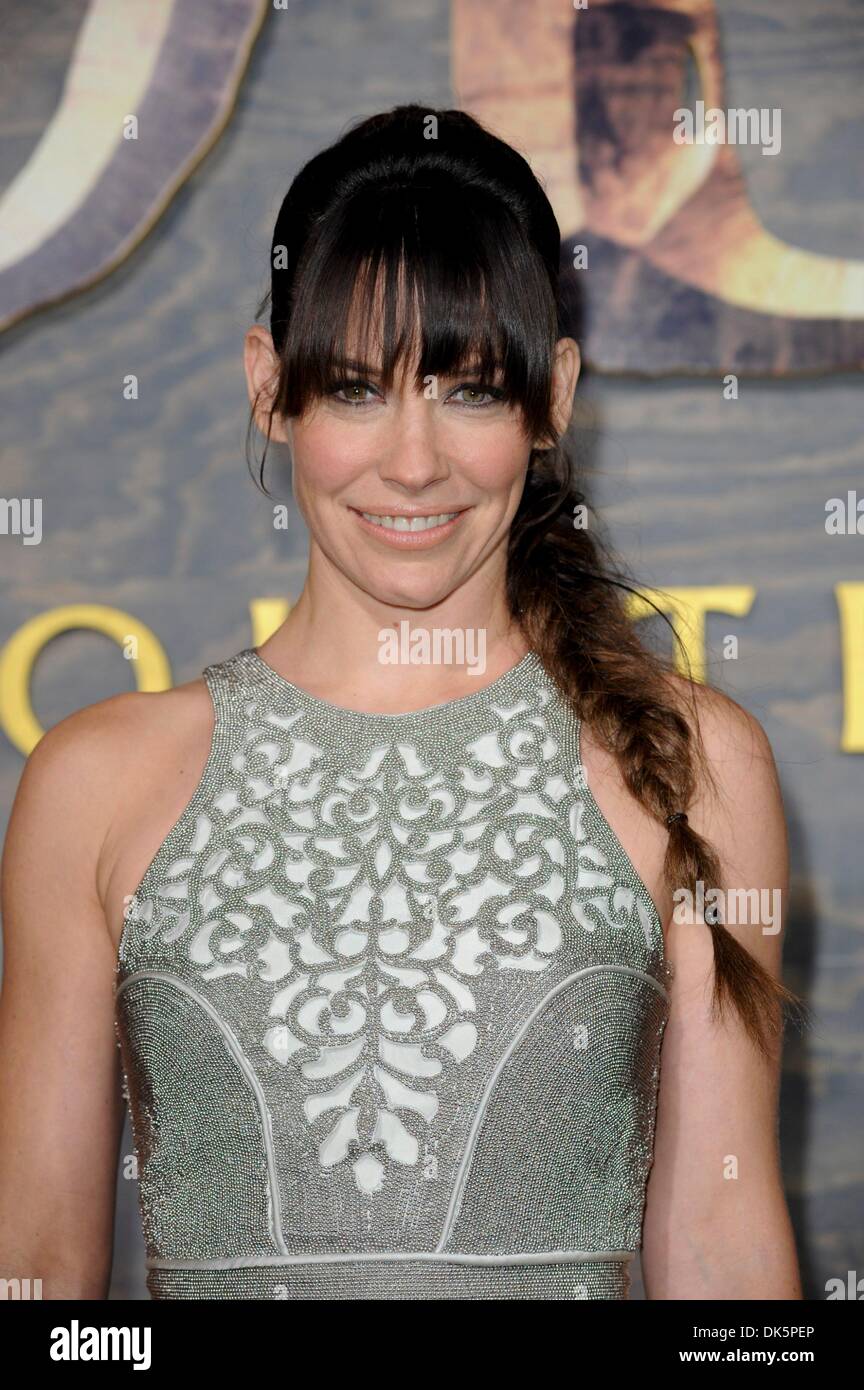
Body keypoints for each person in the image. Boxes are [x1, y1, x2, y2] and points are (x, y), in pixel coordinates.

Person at [0, 104, 802, 1300]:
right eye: (356, 389)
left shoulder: (695, 762)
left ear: (553, 396)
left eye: (471, 390)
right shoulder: (94, 783)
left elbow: (724, 1252)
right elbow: (34, 1273)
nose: (415, 462)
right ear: (270, 387)